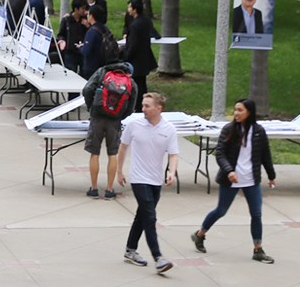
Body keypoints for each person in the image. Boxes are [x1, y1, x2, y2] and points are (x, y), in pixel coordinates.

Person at [191, 98, 276, 264]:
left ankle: (258, 249)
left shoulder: (258, 131)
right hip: (231, 180)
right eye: (235, 110)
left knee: (256, 214)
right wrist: (229, 171)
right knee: (221, 211)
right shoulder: (229, 129)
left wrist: (271, 175)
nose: (236, 113)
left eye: (240, 110)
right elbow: (220, 154)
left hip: (251, 180)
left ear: (249, 112)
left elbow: (265, 154)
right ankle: (200, 234)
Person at [116, 93, 178, 273]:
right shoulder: (133, 124)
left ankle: (130, 250)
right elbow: (123, 147)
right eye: (142, 105)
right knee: (150, 217)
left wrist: (171, 172)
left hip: (155, 179)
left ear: (159, 109)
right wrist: (119, 171)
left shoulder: (169, 129)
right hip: (138, 178)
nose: (143, 109)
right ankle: (158, 258)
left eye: (147, 106)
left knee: (142, 216)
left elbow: (173, 154)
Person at [81, 60, 138, 199]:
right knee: (112, 153)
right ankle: (109, 189)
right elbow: (131, 107)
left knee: (95, 153)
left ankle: (94, 188)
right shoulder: (131, 83)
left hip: (97, 117)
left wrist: (91, 107)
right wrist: (120, 115)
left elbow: (87, 89)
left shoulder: (102, 72)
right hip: (115, 120)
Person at [122, 0, 158, 112]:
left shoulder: (135, 25)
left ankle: (138, 107)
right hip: (144, 58)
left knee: (137, 85)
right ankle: (145, 104)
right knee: (142, 83)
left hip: (136, 61)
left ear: (134, 9)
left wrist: (126, 58)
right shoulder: (146, 21)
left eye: (129, 7)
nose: (128, 10)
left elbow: (133, 45)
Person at [79, 5, 112, 79]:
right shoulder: (105, 29)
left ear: (91, 16)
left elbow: (86, 51)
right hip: (104, 64)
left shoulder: (92, 32)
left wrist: (81, 47)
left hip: (91, 67)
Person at [57, 0, 89, 73]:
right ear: (76, 9)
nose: (84, 11)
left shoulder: (85, 20)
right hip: (70, 52)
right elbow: (61, 34)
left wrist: (87, 26)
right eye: (82, 8)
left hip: (82, 52)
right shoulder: (67, 20)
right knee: (70, 73)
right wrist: (62, 40)